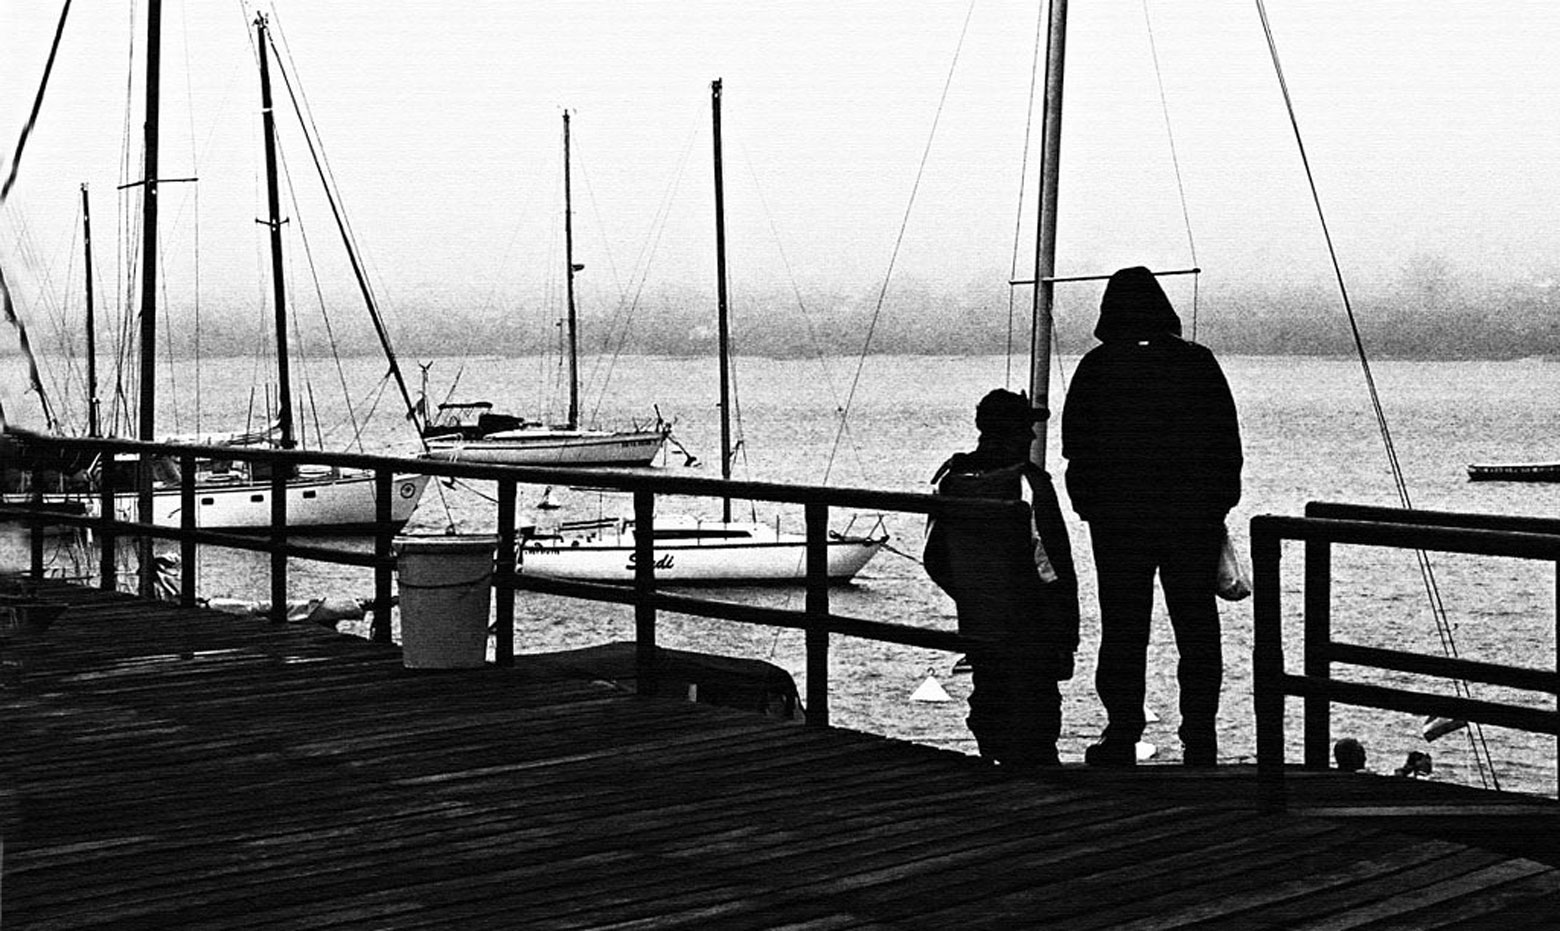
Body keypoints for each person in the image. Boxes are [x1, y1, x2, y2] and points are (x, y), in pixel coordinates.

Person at [1061, 266, 1242, 767]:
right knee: (1198, 630)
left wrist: (1089, 505)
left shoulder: (1098, 367)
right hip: (1190, 520)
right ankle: (1200, 737)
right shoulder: (1197, 363)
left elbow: (1076, 446)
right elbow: (1226, 442)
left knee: (1123, 629)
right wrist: (1217, 505)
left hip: (1118, 523)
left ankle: (1122, 733)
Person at [924, 388, 1080, 767]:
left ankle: (997, 764)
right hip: (1032, 626)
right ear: (1011, 433)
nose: (1031, 436)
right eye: (1025, 428)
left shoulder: (950, 480)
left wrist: (972, 593)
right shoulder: (1028, 485)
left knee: (989, 700)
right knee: (1037, 713)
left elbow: (934, 557)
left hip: (979, 621)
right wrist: (1066, 633)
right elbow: (1052, 567)